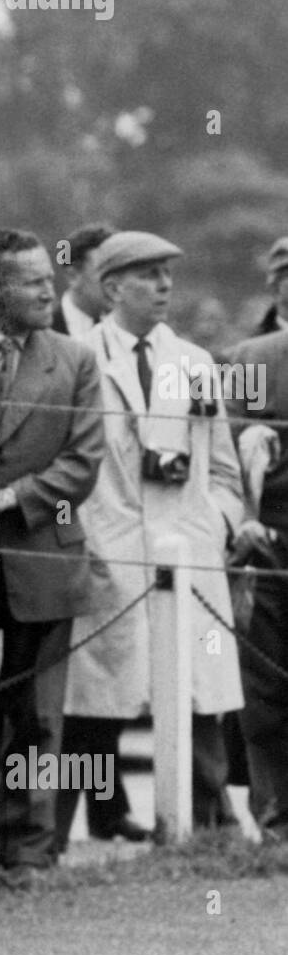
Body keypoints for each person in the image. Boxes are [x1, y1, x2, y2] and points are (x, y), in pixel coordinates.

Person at [59, 232, 245, 843]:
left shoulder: (194, 363)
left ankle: (208, 828)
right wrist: (81, 537)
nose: (164, 287)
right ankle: (72, 831)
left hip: (185, 548)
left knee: (198, 691)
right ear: (112, 288)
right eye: (148, 276)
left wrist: (214, 523)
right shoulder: (77, 357)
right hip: (108, 545)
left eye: (168, 275)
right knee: (97, 696)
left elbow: (221, 465)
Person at [0, 228, 105, 879]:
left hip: (45, 552)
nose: (49, 289)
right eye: (32, 280)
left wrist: (2, 497)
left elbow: (83, 463)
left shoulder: (75, 360)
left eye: (50, 277)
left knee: (38, 715)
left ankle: (29, 853)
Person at [224, 321, 288, 840]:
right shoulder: (253, 358)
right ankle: (275, 819)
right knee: (264, 686)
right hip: (269, 547)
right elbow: (221, 454)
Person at [51, 224, 116, 340]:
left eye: (119, 271)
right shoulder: (41, 333)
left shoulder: (134, 328)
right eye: (105, 271)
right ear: (73, 276)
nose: (116, 282)